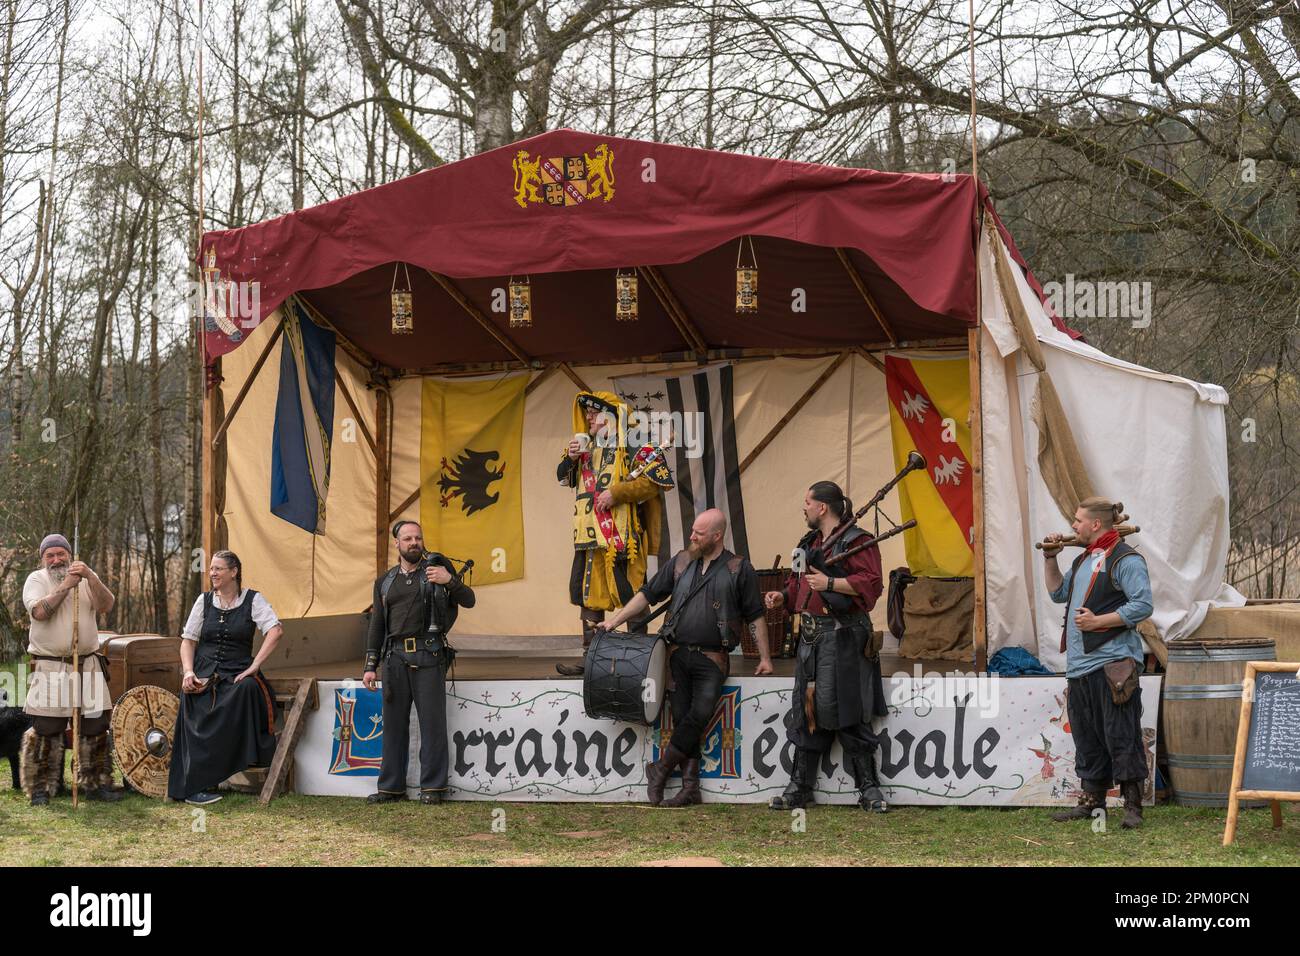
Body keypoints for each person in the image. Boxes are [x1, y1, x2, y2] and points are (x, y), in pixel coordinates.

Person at [602, 508, 772, 807]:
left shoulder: (738, 568)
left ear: (717, 536)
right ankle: (691, 787)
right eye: (692, 530)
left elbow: (756, 615)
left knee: (698, 715)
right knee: (683, 719)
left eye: (699, 533)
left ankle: (661, 768)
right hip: (676, 655)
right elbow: (648, 594)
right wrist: (614, 621)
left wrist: (765, 658)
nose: (692, 536)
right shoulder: (681, 562)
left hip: (713, 659)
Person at [765, 481, 889, 813]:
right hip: (810, 640)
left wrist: (831, 582)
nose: (802, 508)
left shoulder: (858, 541)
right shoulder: (806, 544)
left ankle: (869, 788)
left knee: (849, 710)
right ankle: (799, 787)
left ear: (822, 507)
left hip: (844, 639)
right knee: (807, 711)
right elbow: (796, 586)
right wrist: (783, 597)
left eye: (807, 502)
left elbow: (872, 587)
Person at [1041, 497, 1153, 829]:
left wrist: (1098, 621)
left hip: (1113, 664)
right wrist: (1050, 557)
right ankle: (1092, 803)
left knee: (1121, 735)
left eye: (1077, 520)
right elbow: (1058, 593)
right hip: (1080, 666)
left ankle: (1133, 806)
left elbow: (1143, 605)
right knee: (1088, 738)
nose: (1072, 526)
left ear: (1095, 524)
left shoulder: (1126, 559)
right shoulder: (1084, 559)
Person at [555, 390, 673, 676]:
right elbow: (562, 477)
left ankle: (638, 658)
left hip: (623, 538)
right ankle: (591, 658)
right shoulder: (585, 446)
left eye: (593, 412)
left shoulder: (634, 442)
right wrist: (570, 460)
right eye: (587, 413)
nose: (588, 417)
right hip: (588, 538)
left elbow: (653, 483)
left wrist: (617, 492)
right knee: (589, 597)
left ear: (609, 414)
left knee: (631, 594)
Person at [363, 520, 475, 804]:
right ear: (397, 544)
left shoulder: (436, 572)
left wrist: (449, 580)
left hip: (429, 655)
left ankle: (433, 788)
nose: (414, 542)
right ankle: (390, 788)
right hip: (394, 659)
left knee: (432, 724)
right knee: (393, 725)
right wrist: (370, 665)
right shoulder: (385, 581)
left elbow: (470, 599)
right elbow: (377, 625)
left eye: (418, 538)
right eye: (408, 538)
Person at [169, 550, 282, 805]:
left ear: (234, 572)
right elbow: (187, 642)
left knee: (246, 690)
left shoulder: (253, 599)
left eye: (218, 569)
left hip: (237, 672)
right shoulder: (204, 601)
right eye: (211, 569)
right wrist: (188, 671)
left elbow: (275, 630)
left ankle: (222, 771)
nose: (212, 574)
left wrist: (255, 665)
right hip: (204, 672)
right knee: (194, 698)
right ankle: (194, 785)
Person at [20, 534, 122, 805]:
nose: (56, 559)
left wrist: (90, 576)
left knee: (96, 724)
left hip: (88, 662)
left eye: (60, 554)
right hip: (52, 665)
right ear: (42, 558)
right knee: (47, 726)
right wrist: (67, 585)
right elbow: (40, 612)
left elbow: (106, 605)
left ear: (69, 554)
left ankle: (95, 782)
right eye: (50, 555)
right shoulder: (36, 580)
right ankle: (41, 788)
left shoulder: (85, 577)